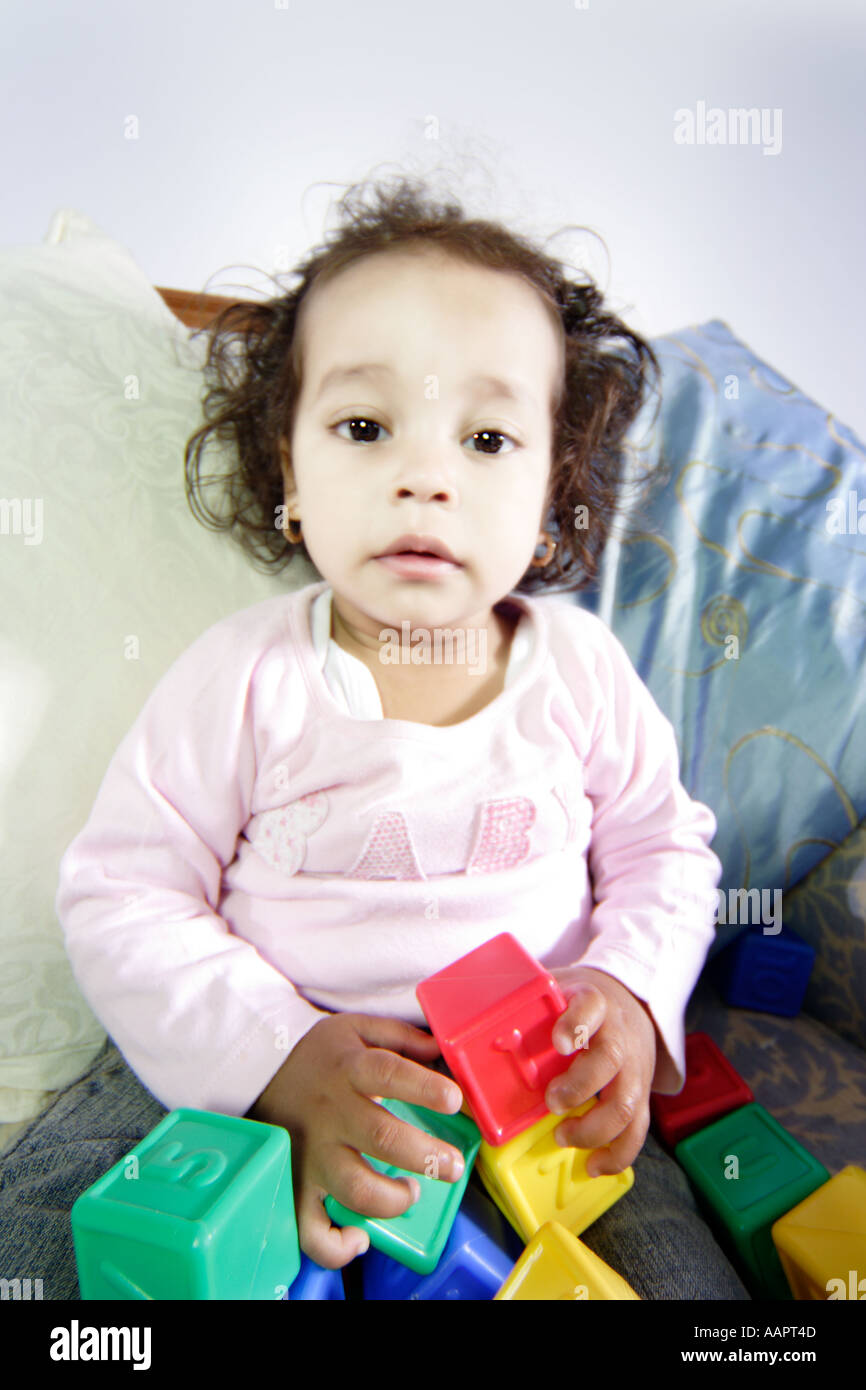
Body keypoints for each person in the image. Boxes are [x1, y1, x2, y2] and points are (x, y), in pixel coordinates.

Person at [47, 174, 750, 1299]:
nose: (423, 477)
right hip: (253, 1082)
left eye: (485, 437)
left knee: (679, 1283)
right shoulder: (245, 677)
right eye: (365, 426)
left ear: (548, 487)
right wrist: (274, 1056)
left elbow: (663, 852)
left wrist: (622, 991)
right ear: (288, 466)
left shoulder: (577, 673)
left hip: (538, 1105)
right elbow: (121, 894)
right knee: (57, 1245)